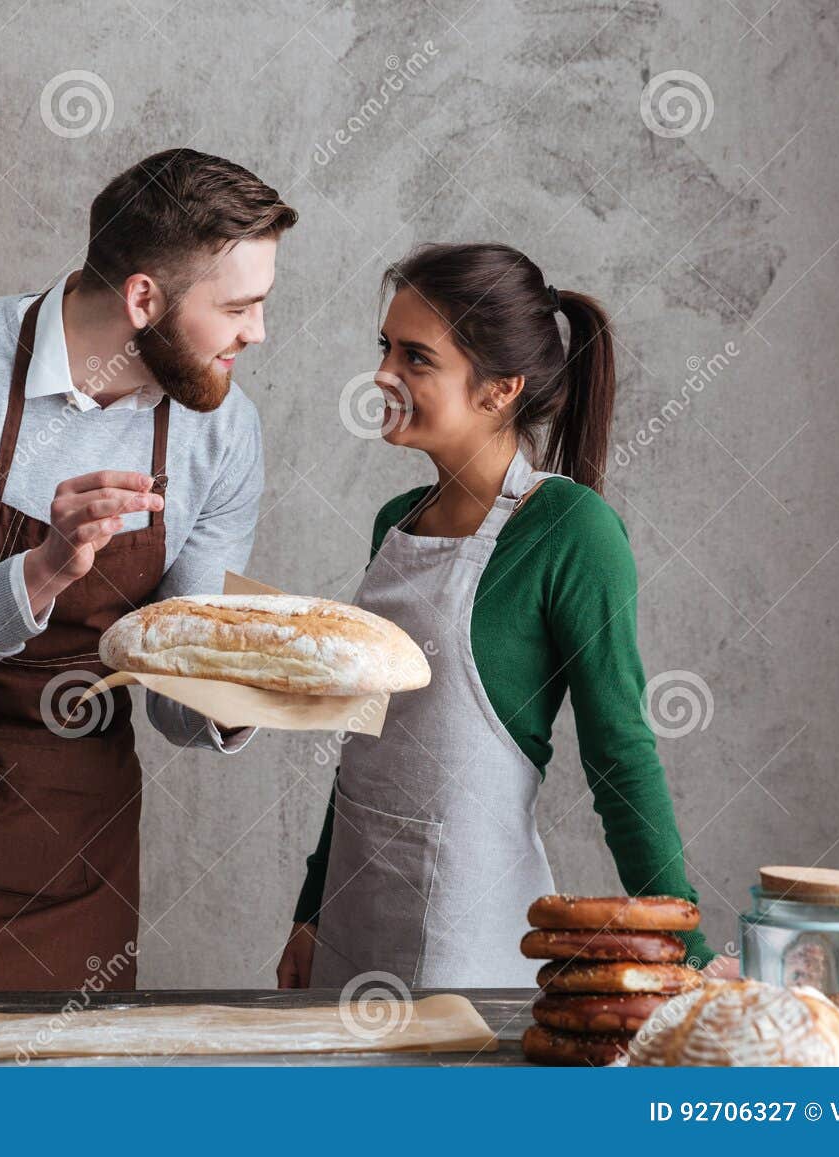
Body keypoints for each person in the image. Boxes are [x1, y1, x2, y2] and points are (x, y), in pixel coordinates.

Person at [0, 148, 295, 992]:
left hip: (82, 847)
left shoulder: (222, 429)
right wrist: (40, 572)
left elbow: (172, 684)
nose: (256, 334)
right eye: (240, 308)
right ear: (144, 298)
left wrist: (248, 686)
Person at [277, 242, 738, 988]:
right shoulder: (396, 524)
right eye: (384, 348)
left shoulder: (571, 530)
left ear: (500, 390)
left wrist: (686, 945)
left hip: (469, 943)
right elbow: (366, 743)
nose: (384, 375)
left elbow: (619, 751)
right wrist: (311, 909)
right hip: (354, 921)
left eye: (416, 358)